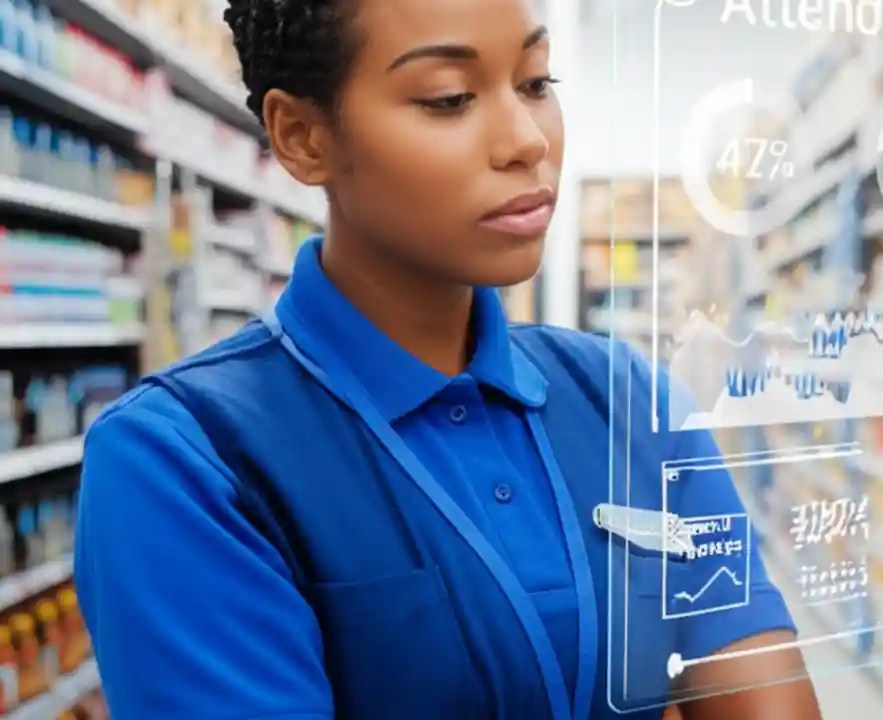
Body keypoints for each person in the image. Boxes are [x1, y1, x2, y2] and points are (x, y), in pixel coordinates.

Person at [73, 0, 823, 718]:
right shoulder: (183, 460)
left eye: (536, 83)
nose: (526, 139)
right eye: (449, 97)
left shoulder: (630, 402)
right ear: (303, 137)